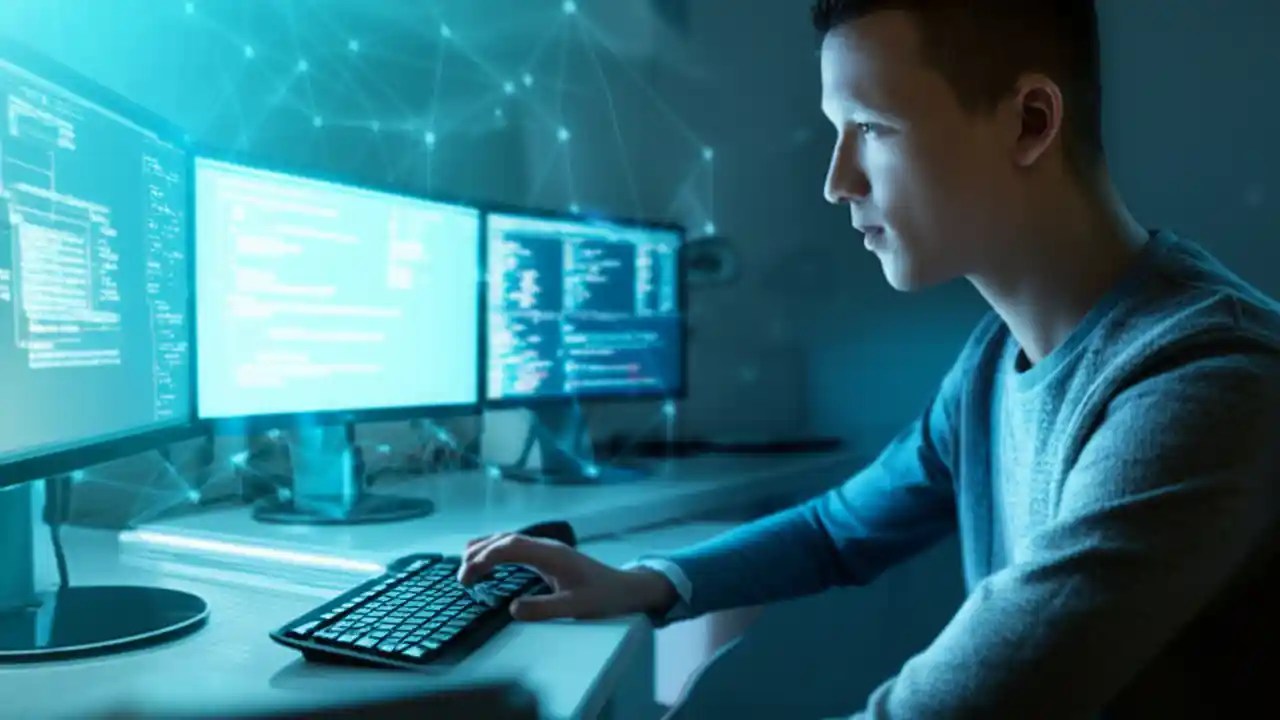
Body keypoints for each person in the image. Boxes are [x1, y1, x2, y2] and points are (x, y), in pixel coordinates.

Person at [459, 1, 1280, 716]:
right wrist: (645, 581)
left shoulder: (1208, 382)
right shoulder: (995, 360)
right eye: (836, 132)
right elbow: (836, 530)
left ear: (1031, 121)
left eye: (874, 128)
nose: (837, 180)